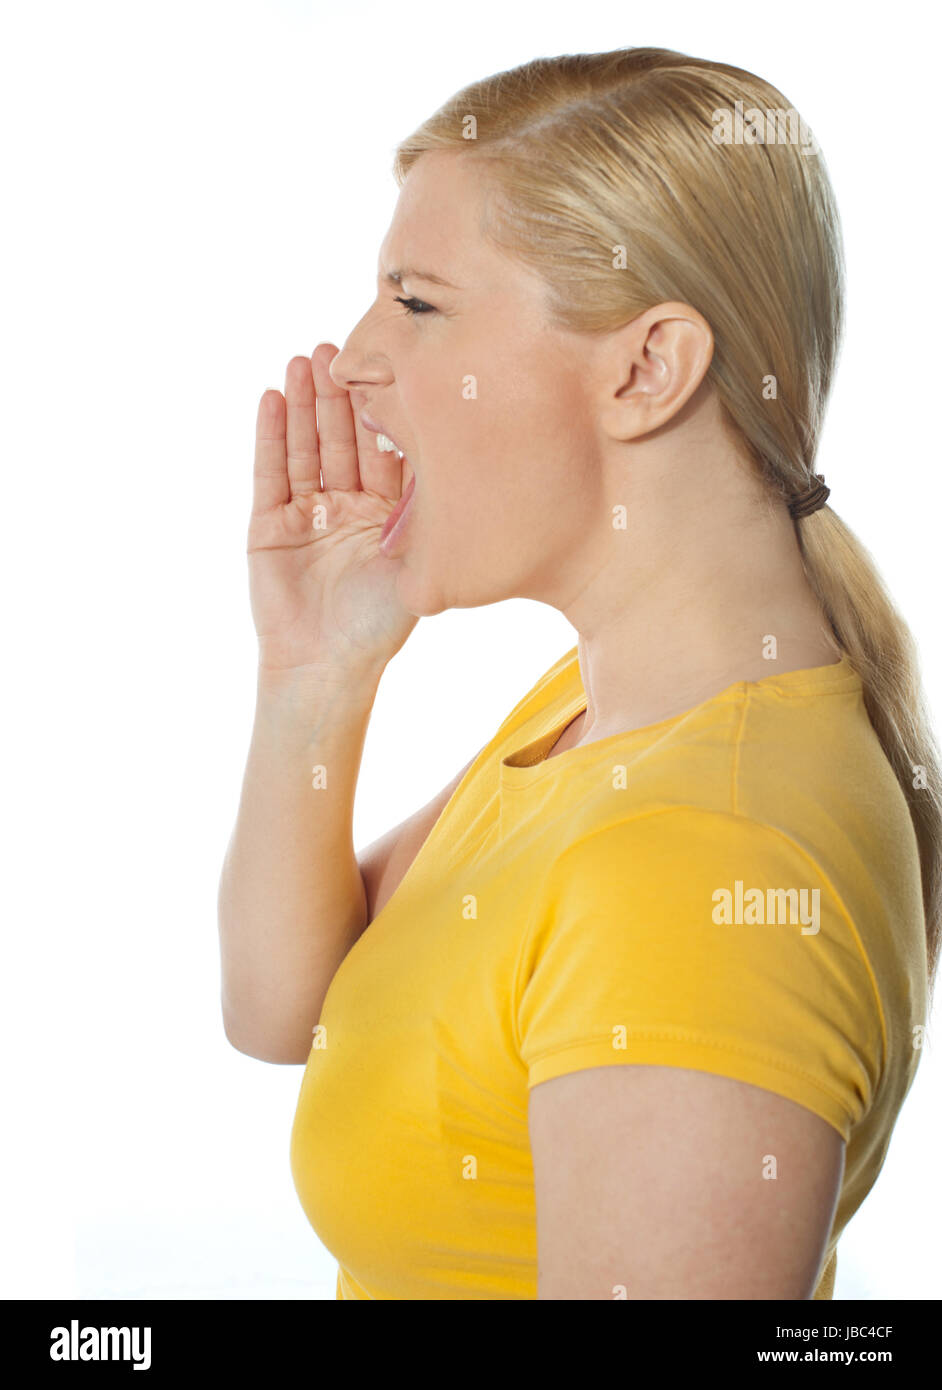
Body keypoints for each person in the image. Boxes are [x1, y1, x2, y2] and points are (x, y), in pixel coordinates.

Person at [217, 47, 939, 1300]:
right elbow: (285, 1009)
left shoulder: (708, 859)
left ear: (647, 368)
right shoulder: (602, 712)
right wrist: (313, 676)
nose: (351, 362)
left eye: (421, 302)